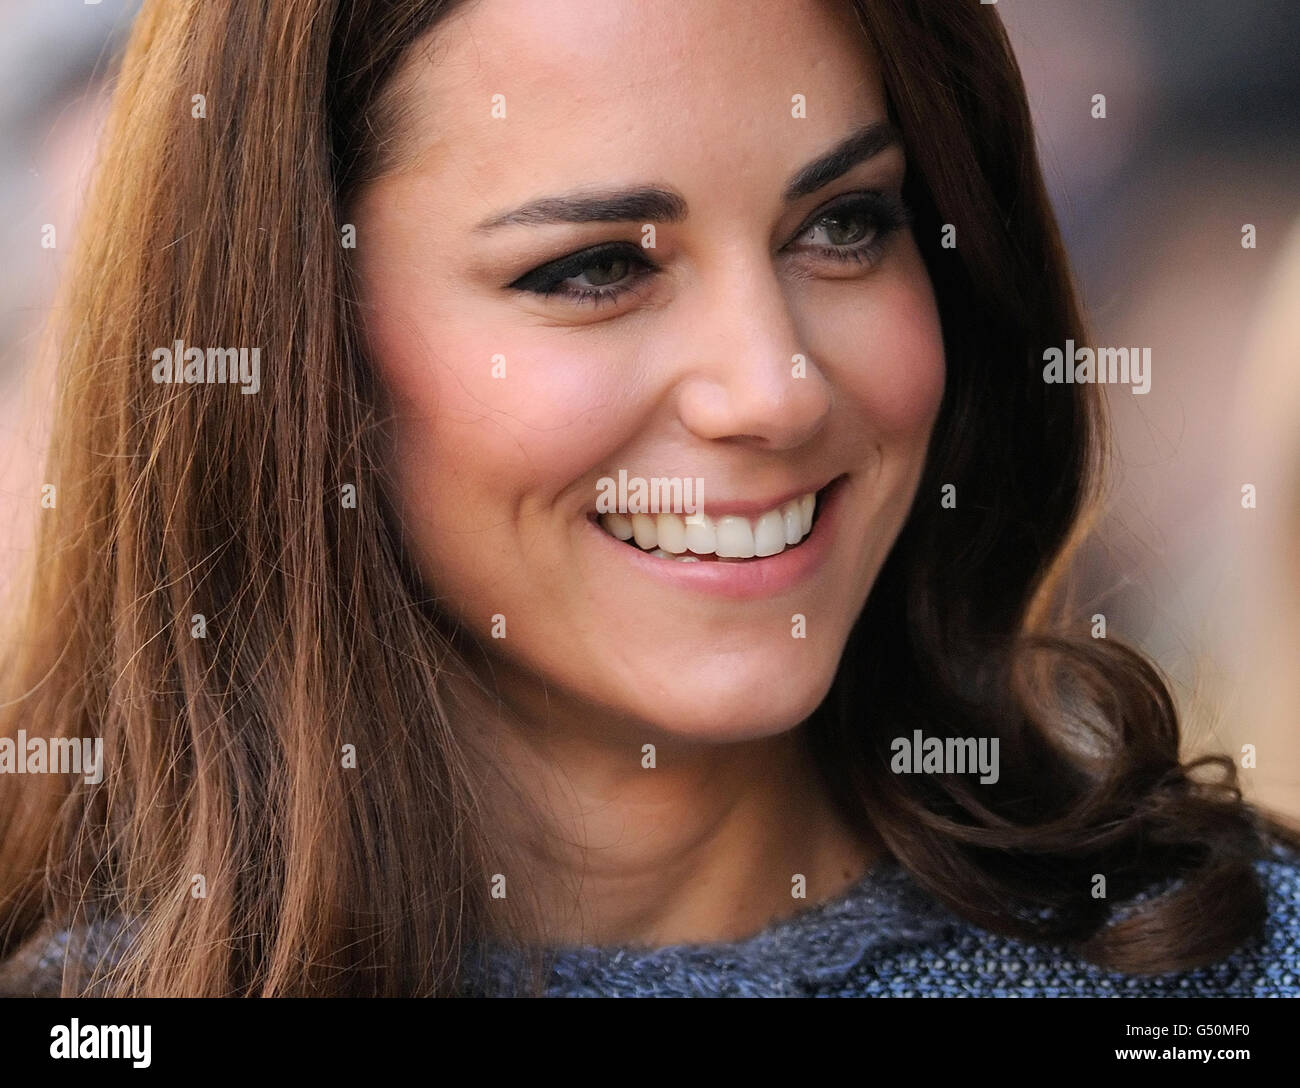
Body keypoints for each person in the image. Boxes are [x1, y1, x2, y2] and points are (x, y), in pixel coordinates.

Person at [0, 0, 1295, 998]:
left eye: (844, 225)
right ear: (300, 341)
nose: (774, 389)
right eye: (598, 266)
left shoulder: (1224, 965)